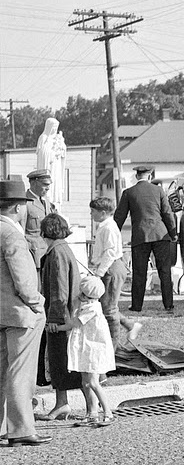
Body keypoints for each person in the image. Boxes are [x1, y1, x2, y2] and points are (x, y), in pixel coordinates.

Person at [0, 179, 51, 447]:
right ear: (18, 206)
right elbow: (22, 279)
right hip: (20, 313)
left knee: (1, 372)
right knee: (21, 372)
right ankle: (20, 429)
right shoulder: (12, 235)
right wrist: (37, 302)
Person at [114, 165, 178, 313]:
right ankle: (168, 304)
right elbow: (167, 213)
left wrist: (114, 234)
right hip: (160, 234)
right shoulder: (159, 191)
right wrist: (173, 233)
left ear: (137, 177)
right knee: (164, 271)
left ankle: (137, 306)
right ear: (150, 176)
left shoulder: (129, 193)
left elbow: (119, 217)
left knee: (139, 272)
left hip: (140, 235)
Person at [39, 213, 82, 419]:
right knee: (62, 362)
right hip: (67, 313)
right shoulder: (63, 249)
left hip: (60, 316)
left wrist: (53, 320)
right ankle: (61, 403)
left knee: (63, 361)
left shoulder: (56, 253)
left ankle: (66, 404)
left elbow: (59, 289)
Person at [57, 276, 116, 426]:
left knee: (93, 383)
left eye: (82, 294)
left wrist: (57, 328)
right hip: (87, 349)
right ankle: (93, 413)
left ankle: (108, 412)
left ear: (89, 296)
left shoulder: (92, 308)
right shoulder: (88, 305)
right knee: (86, 382)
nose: (79, 296)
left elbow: (74, 323)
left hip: (94, 350)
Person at [89, 197, 141, 347]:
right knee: (106, 305)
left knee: (109, 309)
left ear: (103, 212)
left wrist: (99, 273)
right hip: (109, 267)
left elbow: (110, 252)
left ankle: (114, 345)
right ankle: (131, 326)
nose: (91, 214)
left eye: (93, 211)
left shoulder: (109, 227)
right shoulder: (104, 226)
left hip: (112, 268)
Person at [23, 168, 57, 271]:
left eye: (48, 185)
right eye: (44, 185)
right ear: (33, 183)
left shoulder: (46, 201)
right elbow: (21, 232)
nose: (47, 188)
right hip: (34, 254)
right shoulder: (25, 202)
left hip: (48, 252)